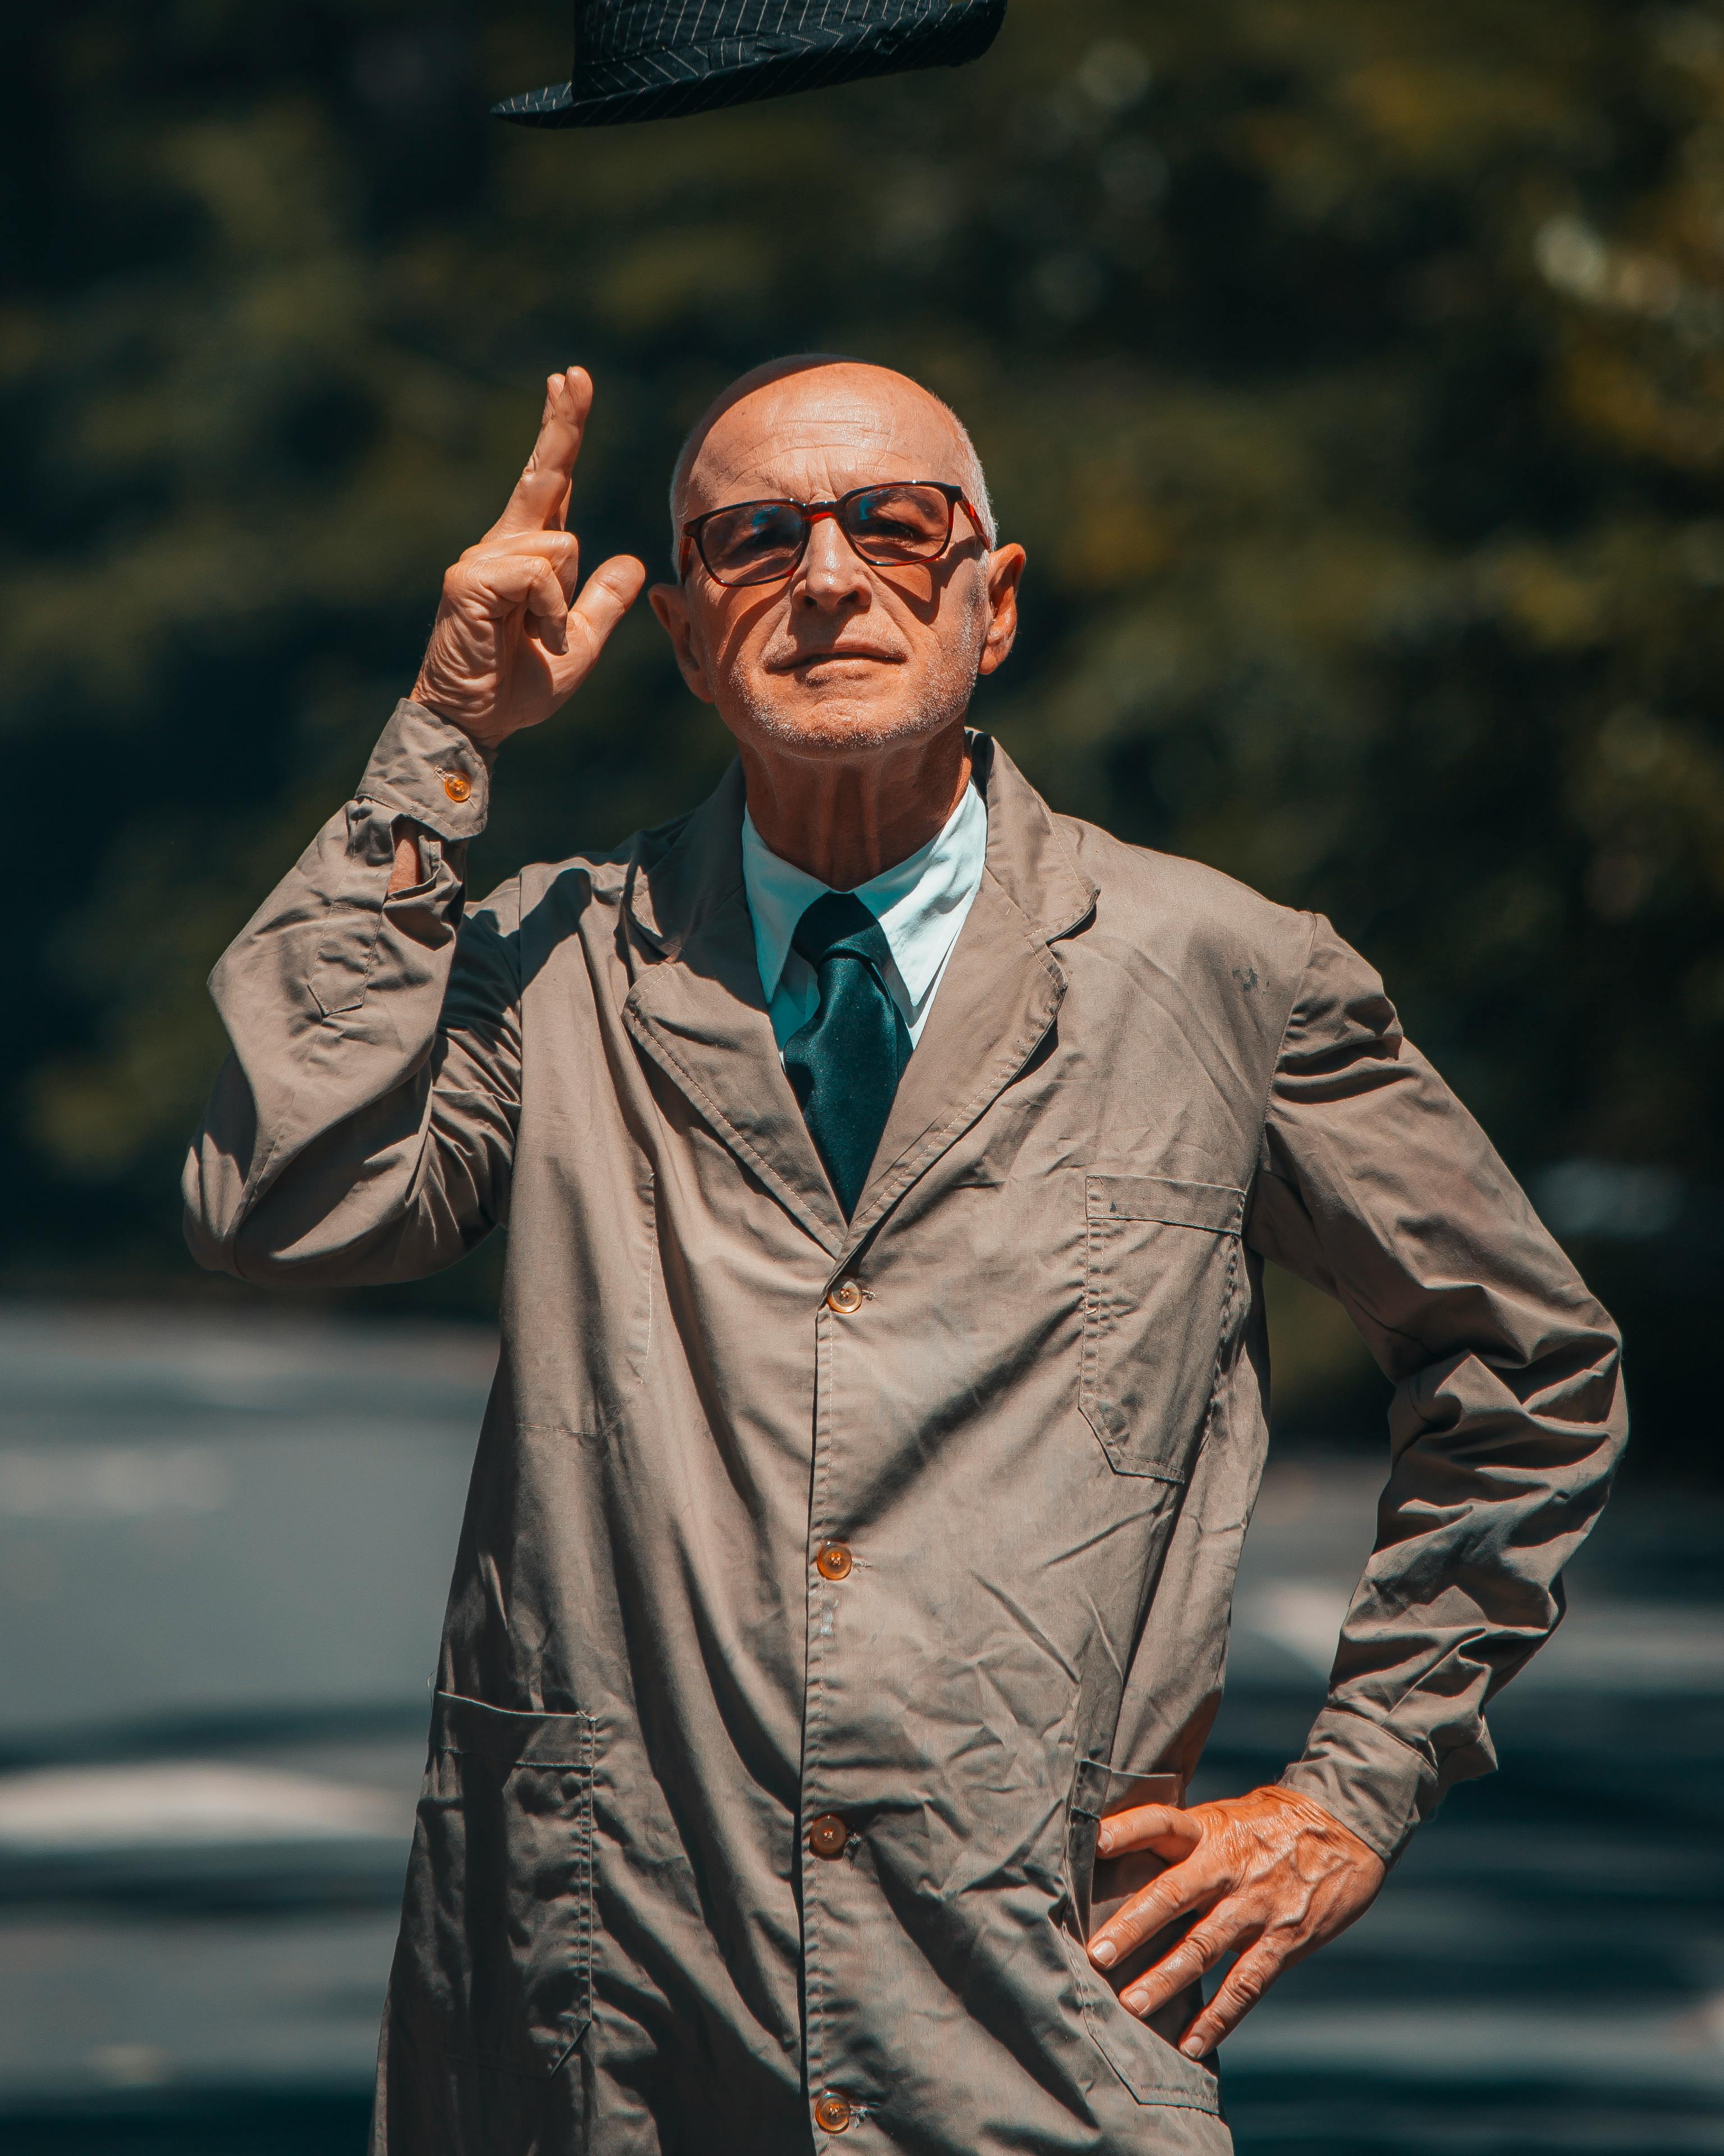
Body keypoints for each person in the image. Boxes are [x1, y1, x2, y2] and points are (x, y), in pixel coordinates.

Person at [184, 356, 1625, 2156]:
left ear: (992, 600)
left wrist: (1351, 1792)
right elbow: (284, 1201)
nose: (832, 578)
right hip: (602, 2014)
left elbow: (1532, 1373)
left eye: (897, 527)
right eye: (757, 540)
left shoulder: (1223, 971)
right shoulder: (550, 956)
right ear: (694, 634)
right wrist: (443, 738)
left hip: (1033, 2021)